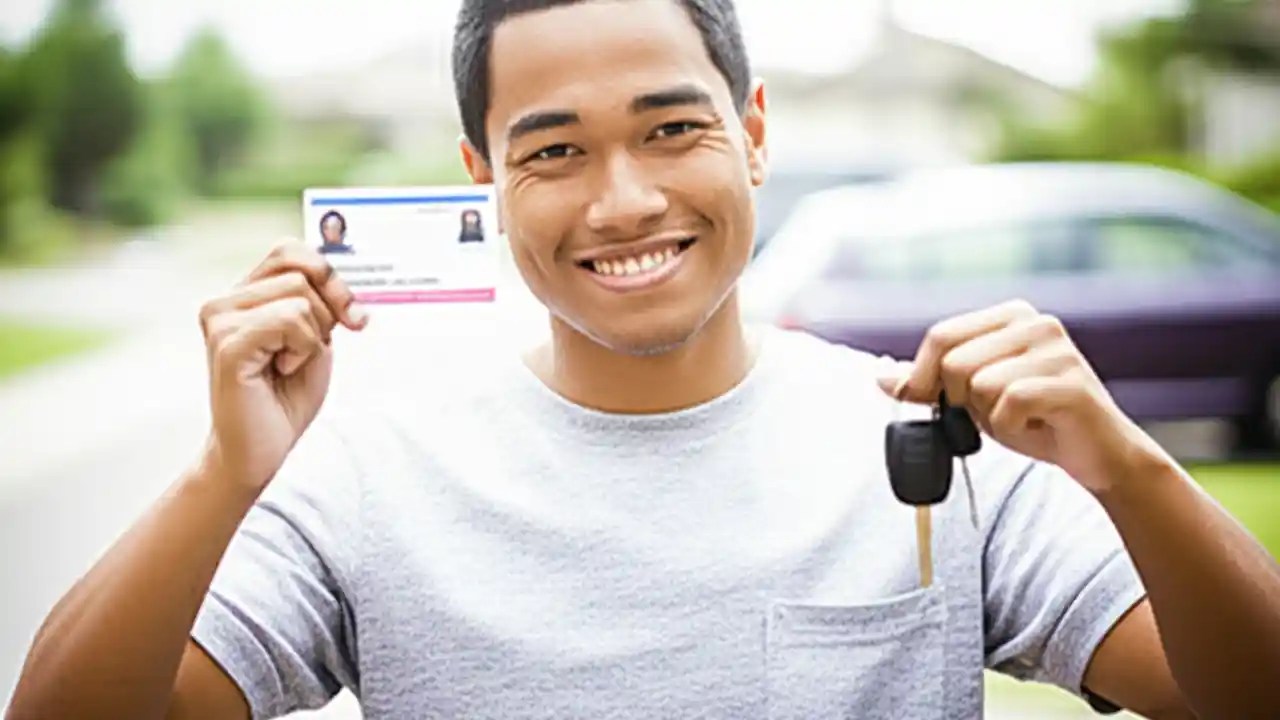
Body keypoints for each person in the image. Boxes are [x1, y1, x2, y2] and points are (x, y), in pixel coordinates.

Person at [8, 1, 1279, 719]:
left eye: (670, 130)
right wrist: (221, 480)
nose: (620, 202)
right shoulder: (361, 472)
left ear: (753, 133)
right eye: (552, 152)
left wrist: (1128, 470)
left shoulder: (927, 440)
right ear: (483, 181)